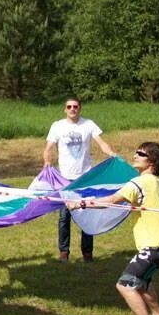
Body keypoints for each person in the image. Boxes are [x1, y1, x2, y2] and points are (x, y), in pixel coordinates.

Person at [68, 143, 159, 315]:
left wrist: (81, 203)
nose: (135, 155)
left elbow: (111, 200)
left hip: (154, 246)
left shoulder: (139, 182)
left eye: (141, 153)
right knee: (143, 282)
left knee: (125, 284)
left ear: (151, 161)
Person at [43, 97, 116, 262]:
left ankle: (87, 253)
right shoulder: (57, 126)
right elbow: (48, 148)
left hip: (85, 178)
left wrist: (111, 154)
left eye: (75, 106)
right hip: (64, 179)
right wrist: (47, 162)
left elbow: (101, 143)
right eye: (69, 106)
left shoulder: (89, 124)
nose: (72, 109)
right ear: (65, 109)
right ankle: (63, 252)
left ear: (80, 109)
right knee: (64, 217)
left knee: (87, 214)